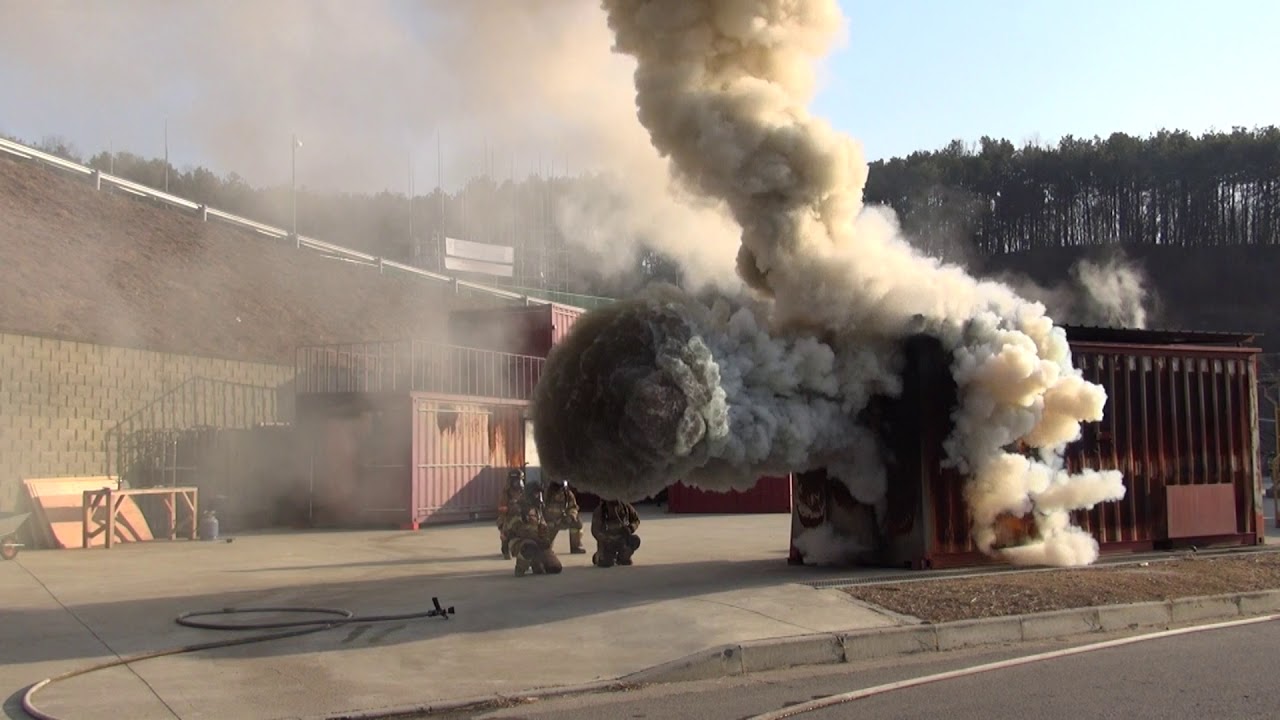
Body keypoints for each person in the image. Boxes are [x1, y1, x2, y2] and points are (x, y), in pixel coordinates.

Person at [504, 481, 563, 577]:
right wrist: (536, 535)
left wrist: (546, 535)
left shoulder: (537, 508)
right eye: (536, 493)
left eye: (539, 493)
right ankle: (520, 567)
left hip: (538, 541)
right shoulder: (517, 507)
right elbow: (517, 528)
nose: (538, 496)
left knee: (555, 568)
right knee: (529, 547)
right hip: (518, 541)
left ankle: (537, 563)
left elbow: (543, 524)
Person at [591, 498, 641, 568]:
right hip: (608, 542)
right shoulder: (601, 510)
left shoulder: (625, 506)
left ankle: (623, 557)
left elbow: (636, 519)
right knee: (606, 563)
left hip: (622, 540)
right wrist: (606, 538)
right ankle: (598, 555)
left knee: (635, 540)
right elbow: (595, 530)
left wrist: (631, 528)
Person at [543, 479, 587, 554]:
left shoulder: (567, 494)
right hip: (549, 522)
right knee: (545, 546)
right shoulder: (546, 494)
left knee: (577, 523)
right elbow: (540, 509)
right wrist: (545, 521)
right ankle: (546, 548)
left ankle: (575, 547)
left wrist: (571, 516)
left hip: (563, 519)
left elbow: (573, 507)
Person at [496, 469, 525, 559]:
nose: (519, 482)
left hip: (521, 516)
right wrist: (508, 508)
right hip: (508, 517)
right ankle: (505, 549)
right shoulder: (507, 492)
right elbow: (501, 507)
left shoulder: (523, 491)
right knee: (505, 531)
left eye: (521, 480)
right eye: (517, 480)